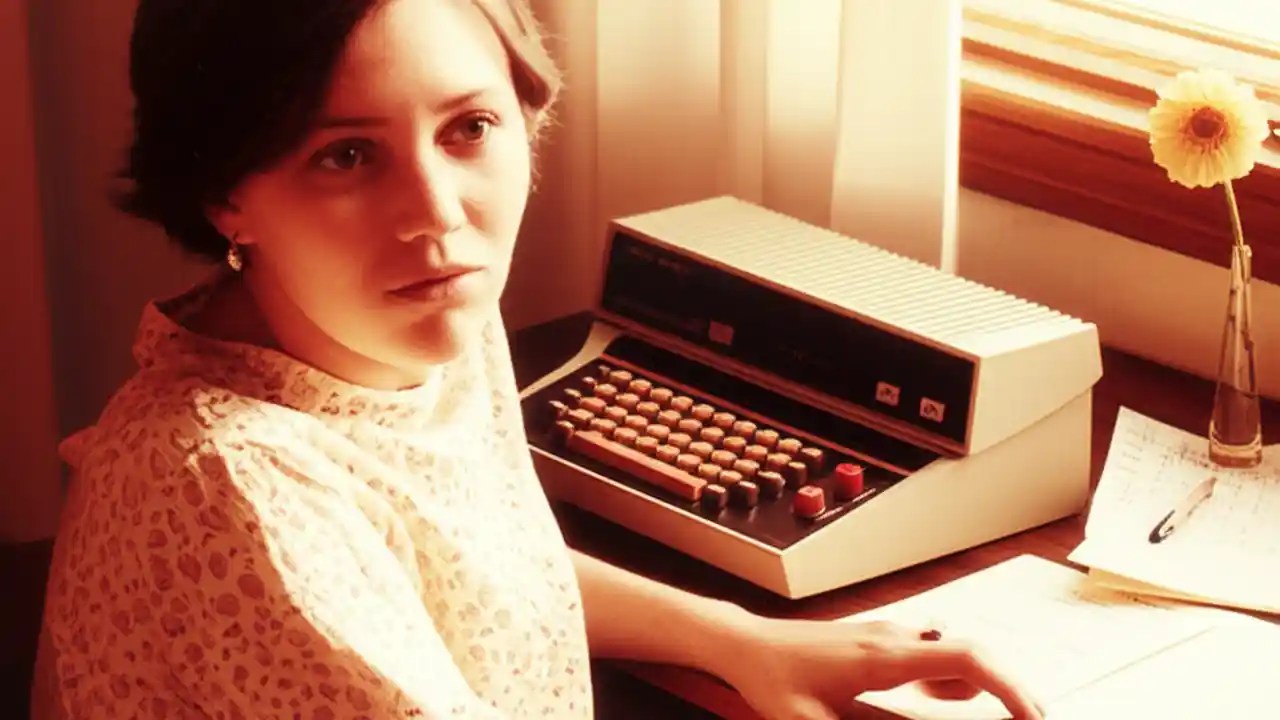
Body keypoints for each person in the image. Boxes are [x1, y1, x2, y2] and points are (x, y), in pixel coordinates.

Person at [32, 1, 1046, 718]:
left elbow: (474, 572)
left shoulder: (413, 327)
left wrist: (739, 638)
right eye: (346, 155)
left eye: (469, 127)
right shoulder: (224, 485)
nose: (435, 216)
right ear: (223, 194)